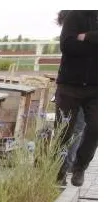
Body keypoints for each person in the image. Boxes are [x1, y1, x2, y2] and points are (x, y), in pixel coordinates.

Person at [54, 9, 97, 187]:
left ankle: (80, 166)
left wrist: (86, 37)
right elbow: (68, 46)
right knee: (64, 132)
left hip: (97, 87)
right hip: (69, 85)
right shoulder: (75, 15)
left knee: (97, 128)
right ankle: (57, 175)